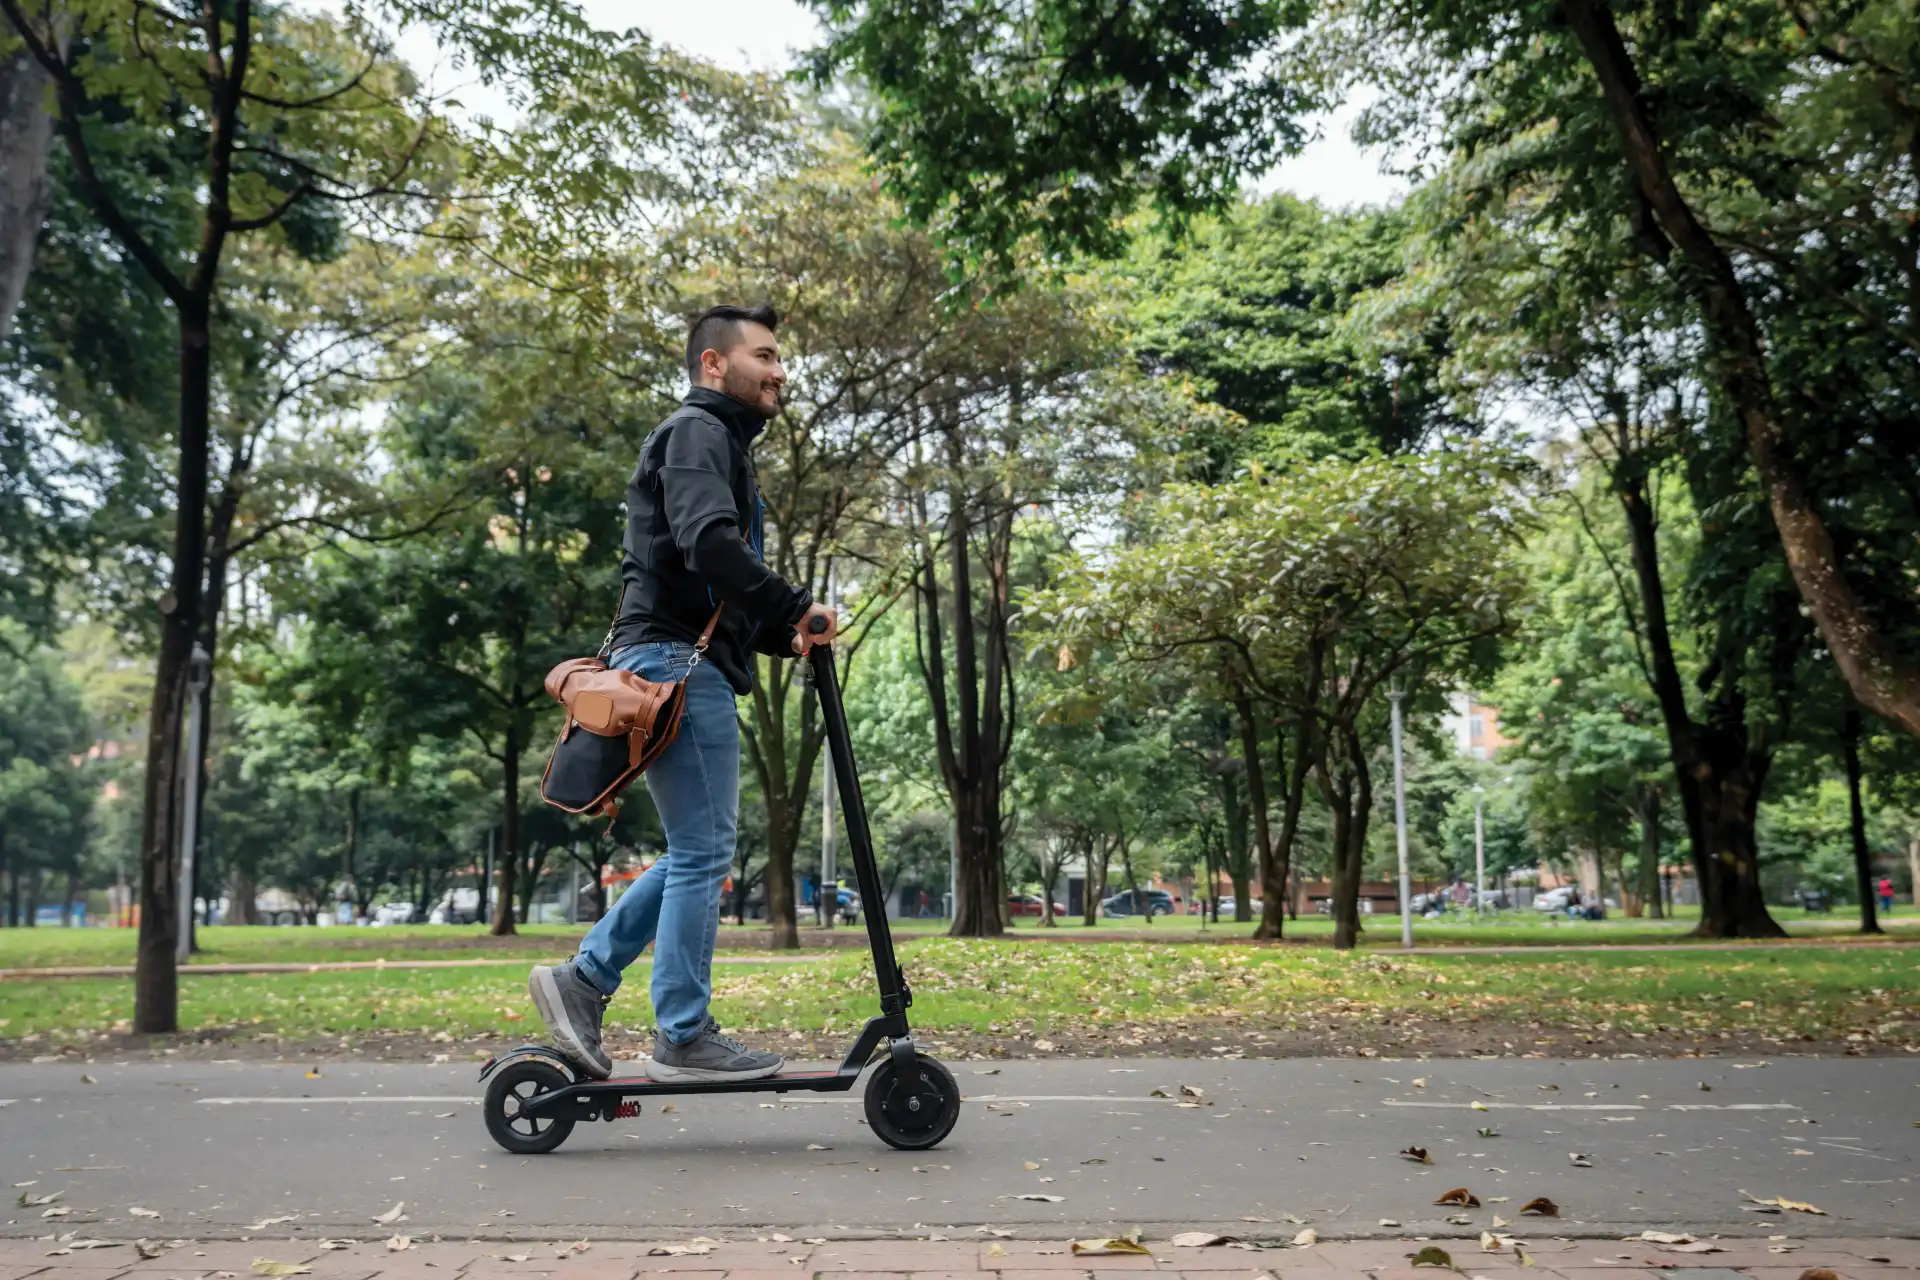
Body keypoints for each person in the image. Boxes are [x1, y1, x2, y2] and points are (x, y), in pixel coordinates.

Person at [527, 304, 836, 1083]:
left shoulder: (714, 441)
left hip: (673, 656)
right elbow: (710, 547)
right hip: (674, 664)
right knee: (703, 851)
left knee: (696, 849)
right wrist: (797, 605)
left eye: (780, 359)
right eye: (765, 356)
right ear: (713, 364)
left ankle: (583, 981)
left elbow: (707, 585)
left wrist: (784, 635)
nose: (779, 372)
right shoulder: (698, 432)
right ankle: (683, 1034)